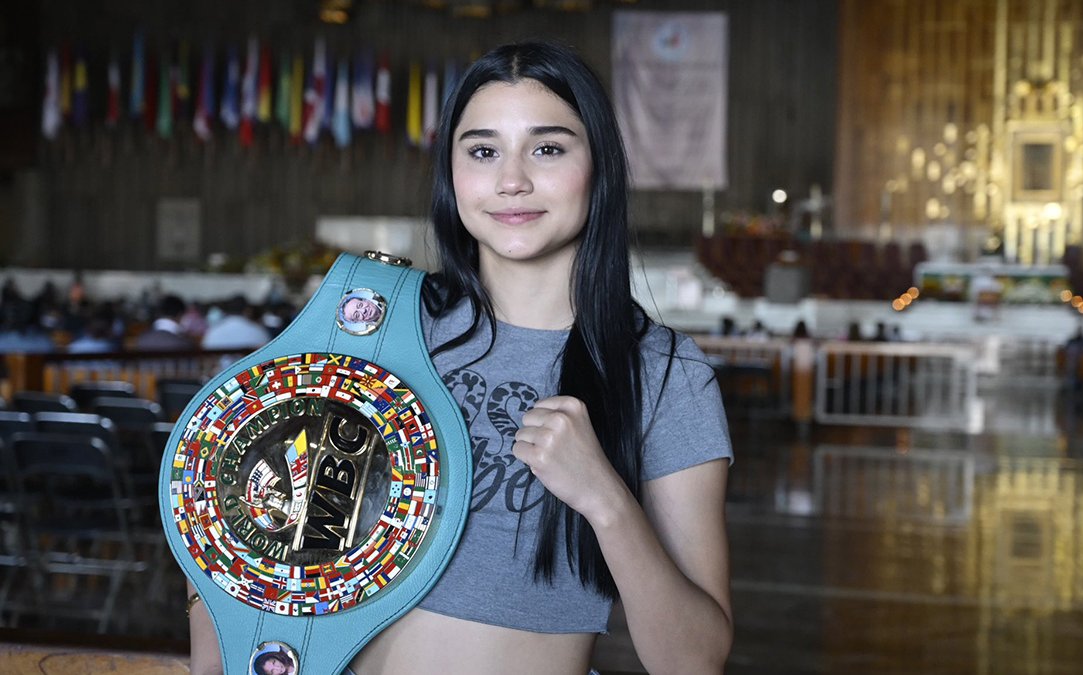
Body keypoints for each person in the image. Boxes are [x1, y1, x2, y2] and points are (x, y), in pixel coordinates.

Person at [188, 40, 733, 675]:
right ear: (452, 172)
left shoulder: (663, 374)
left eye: (548, 148)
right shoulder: (370, 326)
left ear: (600, 166)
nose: (512, 180)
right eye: (482, 150)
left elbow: (694, 661)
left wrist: (606, 500)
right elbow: (226, 544)